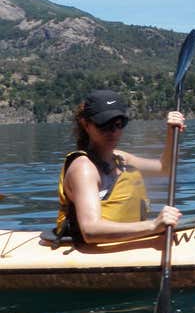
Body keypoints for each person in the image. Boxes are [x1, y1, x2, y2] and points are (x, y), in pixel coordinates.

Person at [54, 89, 184, 244]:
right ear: (86, 124)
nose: (113, 131)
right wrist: (153, 226)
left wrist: (171, 132)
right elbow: (90, 230)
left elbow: (165, 169)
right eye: (104, 125)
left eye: (119, 124)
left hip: (125, 241)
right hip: (94, 249)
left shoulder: (120, 158)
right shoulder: (84, 169)